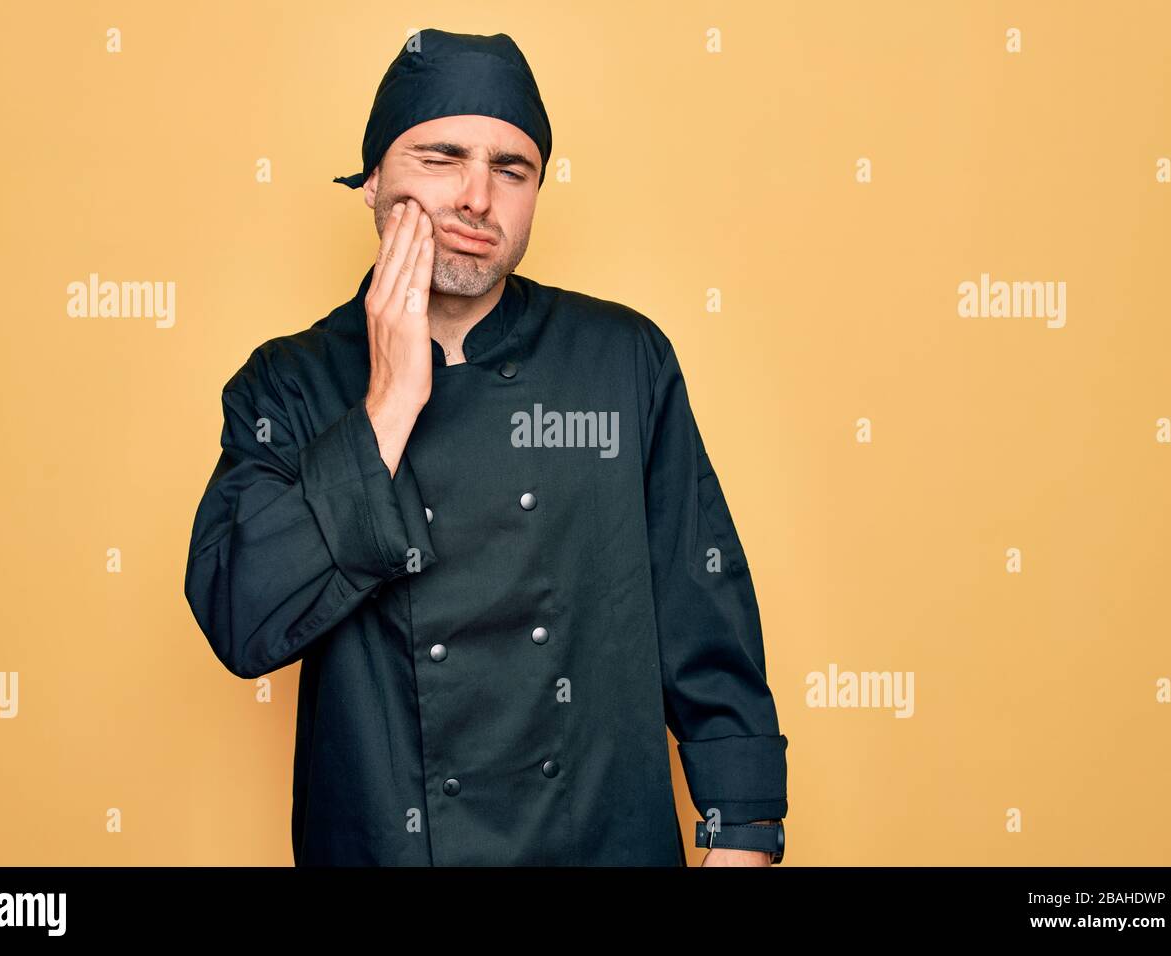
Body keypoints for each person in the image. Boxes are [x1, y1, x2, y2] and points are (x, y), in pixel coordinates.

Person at [183, 27, 788, 866]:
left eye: (512, 169)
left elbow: (704, 607)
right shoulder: (285, 386)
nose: (477, 197)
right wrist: (389, 404)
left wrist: (743, 837)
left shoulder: (622, 360)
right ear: (371, 181)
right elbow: (240, 619)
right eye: (441, 157)